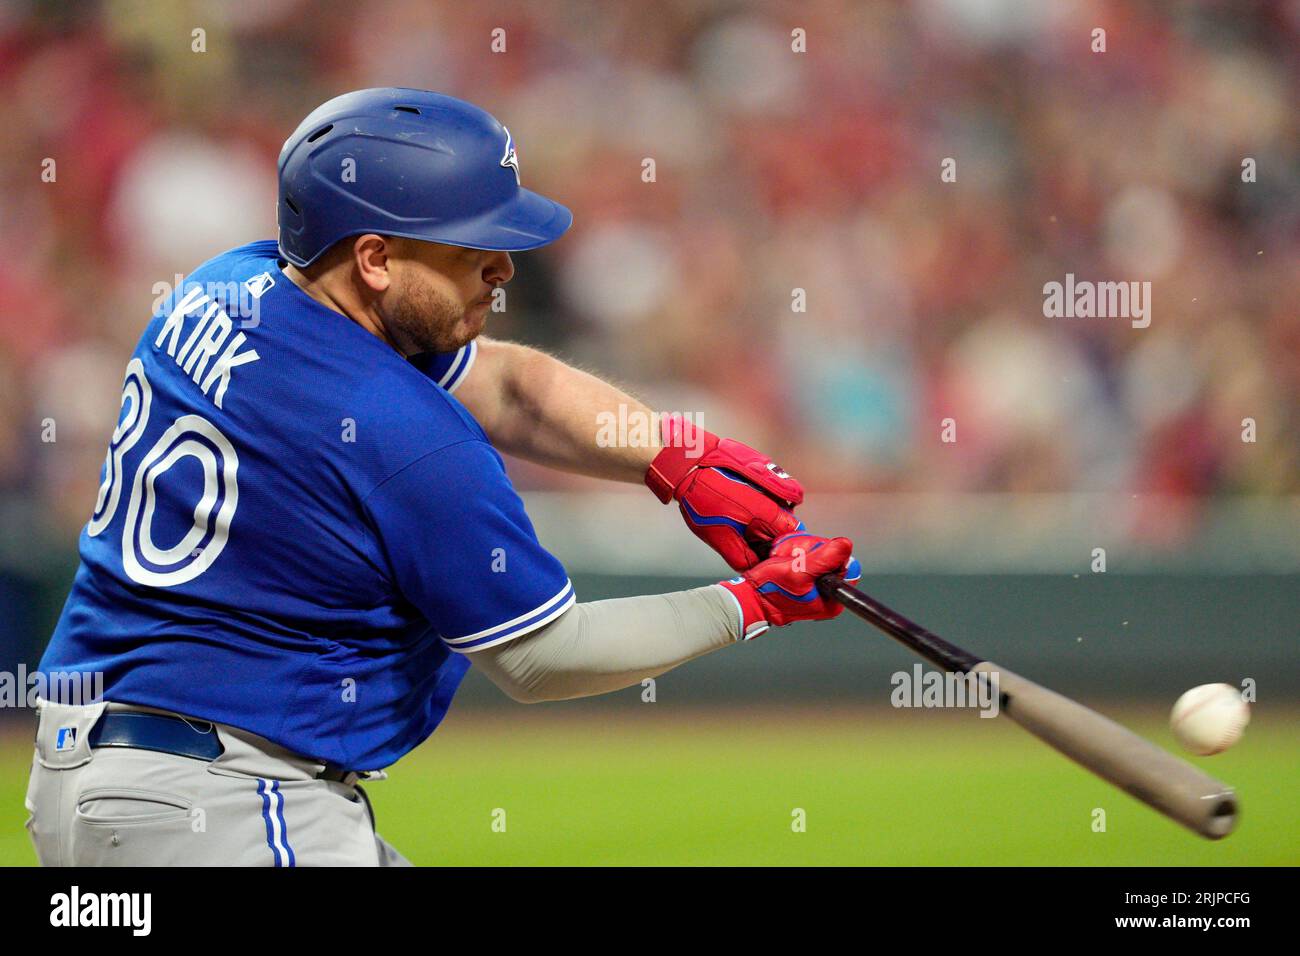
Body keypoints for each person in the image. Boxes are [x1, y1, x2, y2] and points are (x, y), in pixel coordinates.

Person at [26, 88, 858, 866]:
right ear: (377, 258)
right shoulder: (400, 432)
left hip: (99, 783)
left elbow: (501, 385)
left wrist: (671, 454)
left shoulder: (225, 287)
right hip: (230, 804)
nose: (503, 269)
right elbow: (545, 658)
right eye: (472, 248)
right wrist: (754, 603)